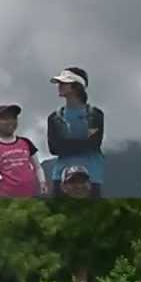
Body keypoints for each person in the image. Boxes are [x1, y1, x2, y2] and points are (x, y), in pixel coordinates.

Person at [46, 68, 105, 197]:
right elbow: (53, 148)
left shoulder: (94, 115)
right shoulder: (54, 117)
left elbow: (94, 143)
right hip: (60, 176)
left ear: (76, 87)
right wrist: (82, 144)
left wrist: (64, 145)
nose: (59, 86)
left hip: (91, 176)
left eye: (63, 83)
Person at [0, 105, 48, 198]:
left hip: (32, 192)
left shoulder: (26, 142)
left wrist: (42, 182)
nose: (10, 121)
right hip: (7, 195)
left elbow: (37, 167)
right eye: (5, 118)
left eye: (13, 118)